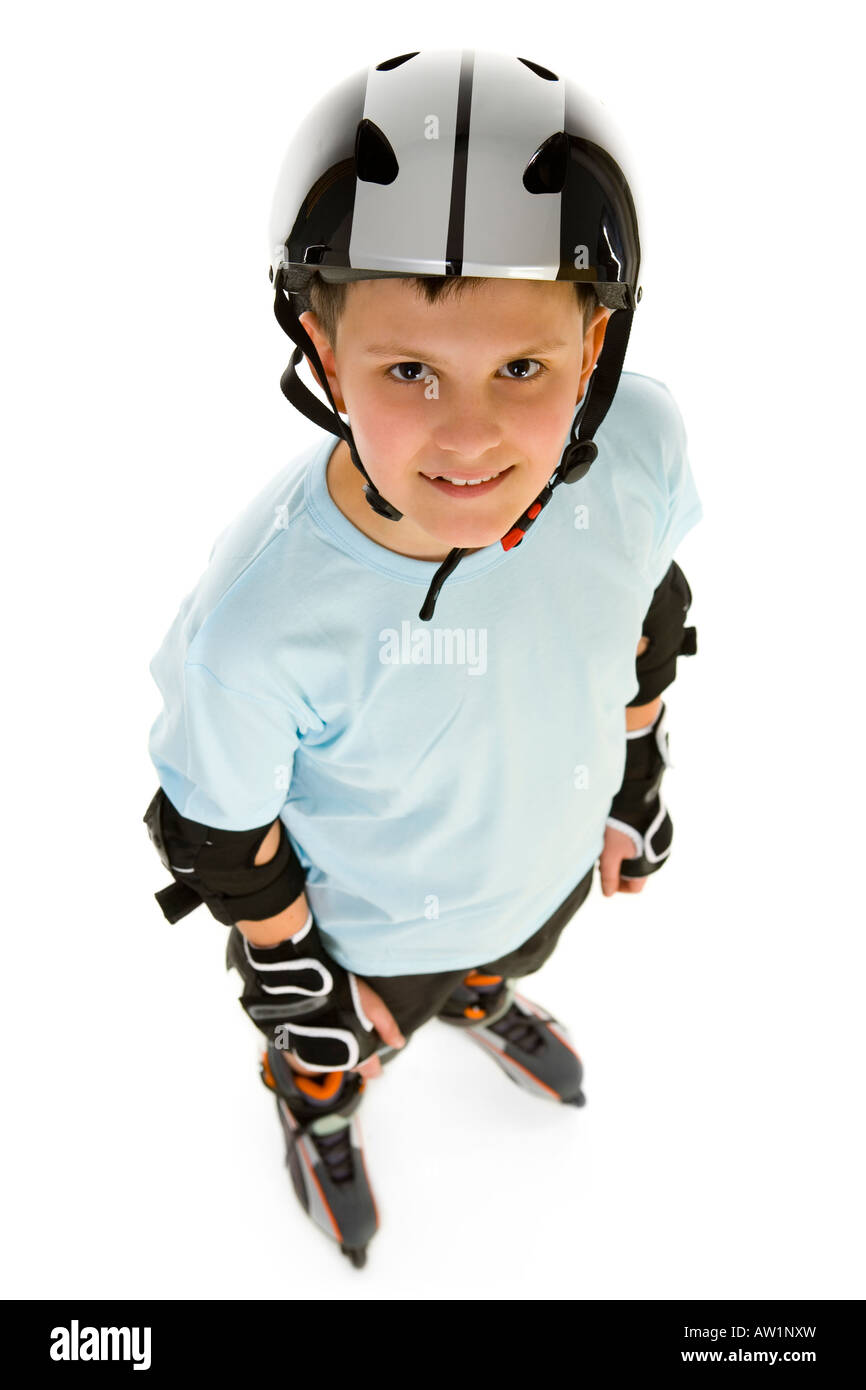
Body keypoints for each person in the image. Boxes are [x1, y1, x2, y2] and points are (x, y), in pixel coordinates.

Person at [143, 48, 702, 1270]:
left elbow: (642, 605)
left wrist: (636, 774)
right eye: (408, 369)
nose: (468, 437)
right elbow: (223, 834)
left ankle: (485, 990)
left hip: (540, 860)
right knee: (341, 1048)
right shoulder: (258, 623)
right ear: (323, 348)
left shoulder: (640, 443)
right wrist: (297, 984)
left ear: (595, 344)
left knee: (509, 943)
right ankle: (318, 1111)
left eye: (521, 367)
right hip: (371, 933)